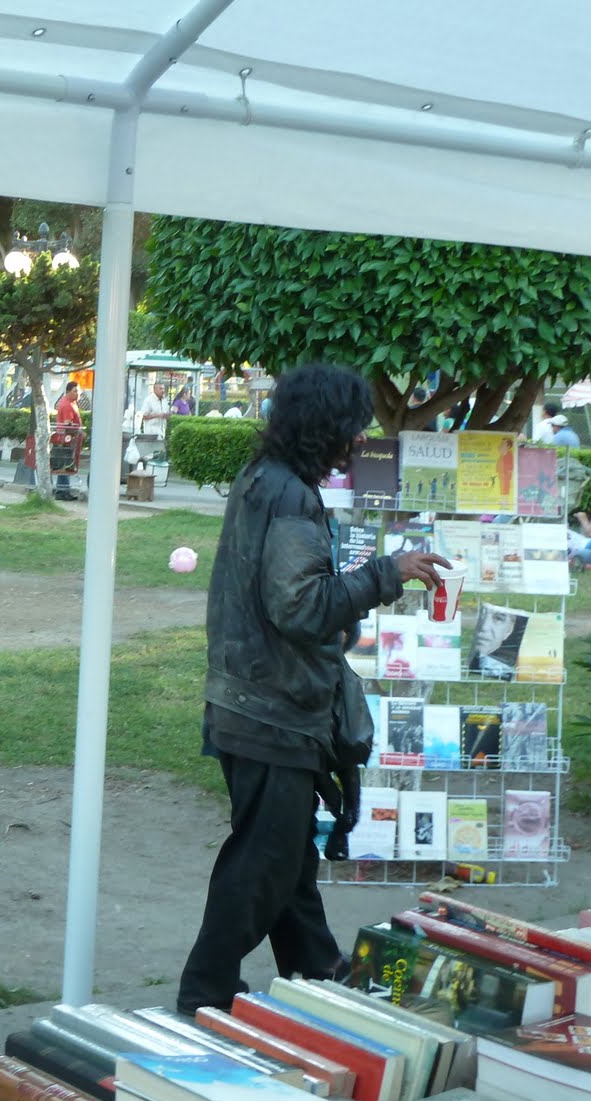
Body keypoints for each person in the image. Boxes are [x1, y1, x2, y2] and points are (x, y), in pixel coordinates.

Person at [175, 363, 447, 1016]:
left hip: (253, 701)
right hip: (272, 710)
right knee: (265, 862)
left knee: (287, 859)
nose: (356, 443)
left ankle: (319, 975)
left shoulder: (261, 480)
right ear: (323, 430)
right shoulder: (291, 495)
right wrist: (388, 573)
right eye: (350, 430)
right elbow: (298, 607)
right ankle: (205, 990)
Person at [52, 382, 83, 500]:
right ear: (68, 391)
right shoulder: (67, 405)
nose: (78, 393)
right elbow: (67, 424)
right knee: (65, 464)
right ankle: (62, 491)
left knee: (65, 464)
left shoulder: (71, 403)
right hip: (66, 440)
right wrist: (80, 431)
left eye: (78, 391)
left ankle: (63, 490)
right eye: (75, 391)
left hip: (68, 440)